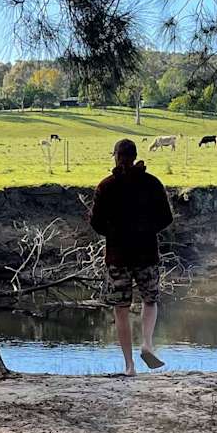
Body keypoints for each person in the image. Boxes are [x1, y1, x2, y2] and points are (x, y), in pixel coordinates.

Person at [88, 138, 173, 375]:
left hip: (117, 256)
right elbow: (167, 218)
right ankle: (147, 343)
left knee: (121, 309)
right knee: (150, 300)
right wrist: (146, 230)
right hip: (147, 253)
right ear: (135, 156)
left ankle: (129, 366)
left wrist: (113, 234)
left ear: (115, 156)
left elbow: (95, 222)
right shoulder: (152, 183)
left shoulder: (106, 186)